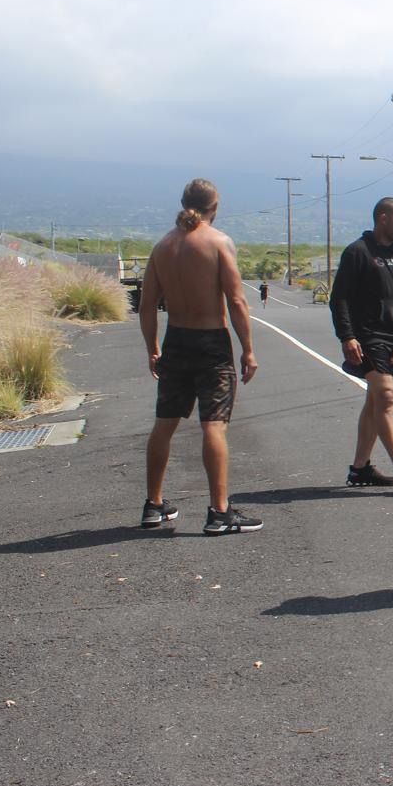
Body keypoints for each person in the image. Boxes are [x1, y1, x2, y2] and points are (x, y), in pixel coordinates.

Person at [139, 179, 261, 535]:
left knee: (164, 423)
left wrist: (153, 348)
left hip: (176, 340)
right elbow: (236, 301)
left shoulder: (163, 247)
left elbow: (147, 306)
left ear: (183, 203)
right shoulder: (219, 243)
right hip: (211, 344)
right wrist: (248, 349)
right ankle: (219, 512)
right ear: (215, 207)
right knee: (213, 425)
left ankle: (154, 505)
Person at [330, 197, 393, 491]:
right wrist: (347, 336)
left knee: (375, 400)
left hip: (392, 338)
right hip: (367, 338)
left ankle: (360, 468)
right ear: (383, 218)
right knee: (386, 396)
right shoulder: (358, 252)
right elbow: (340, 299)